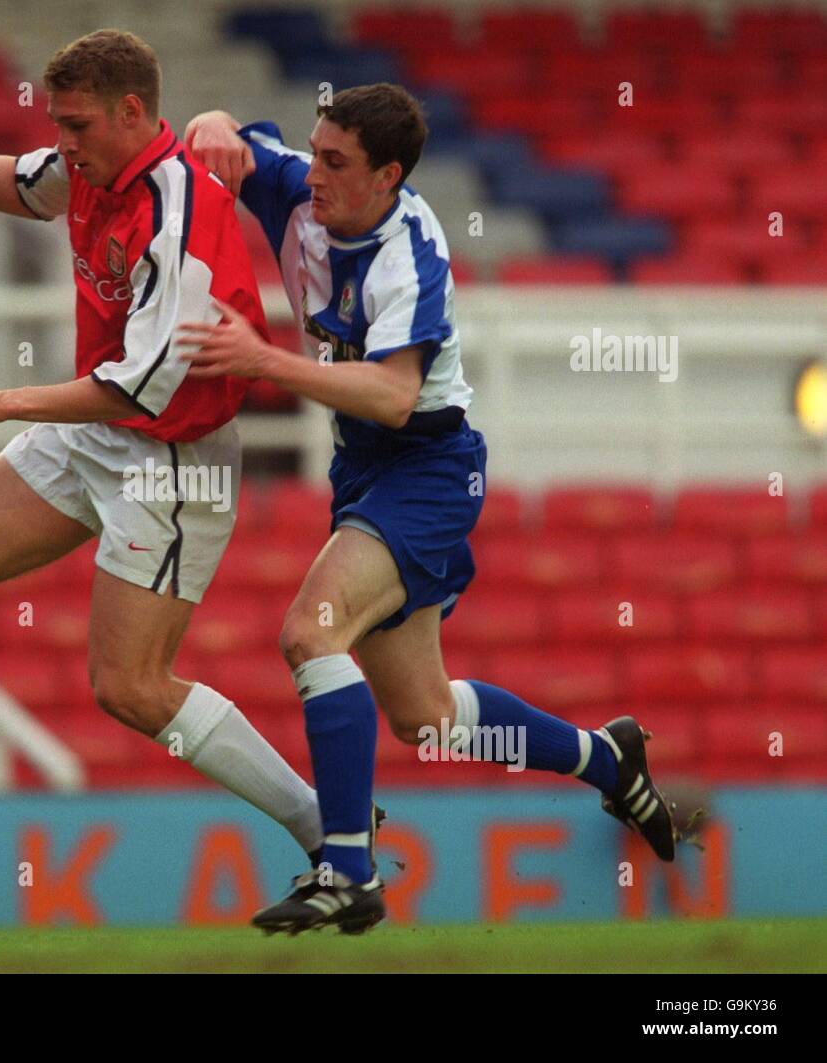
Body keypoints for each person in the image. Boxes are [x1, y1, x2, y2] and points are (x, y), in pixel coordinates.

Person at [0, 30, 332, 881]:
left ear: (134, 112)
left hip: (171, 456)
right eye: (57, 124)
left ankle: (325, 824)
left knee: (130, 686)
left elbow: (141, 390)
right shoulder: (93, 166)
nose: (64, 143)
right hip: (100, 427)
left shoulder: (180, 213)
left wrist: (2, 401)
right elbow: (23, 186)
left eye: (78, 125)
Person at [179, 85, 677, 935]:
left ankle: (344, 865)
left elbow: (394, 394)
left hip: (428, 467)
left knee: (310, 629)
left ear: (389, 176)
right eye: (315, 151)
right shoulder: (301, 187)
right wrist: (214, 127)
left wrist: (263, 359)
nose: (316, 174)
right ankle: (606, 756)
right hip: (363, 467)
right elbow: (218, 135)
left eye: (336, 163)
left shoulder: (409, 252)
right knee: (428, 719)